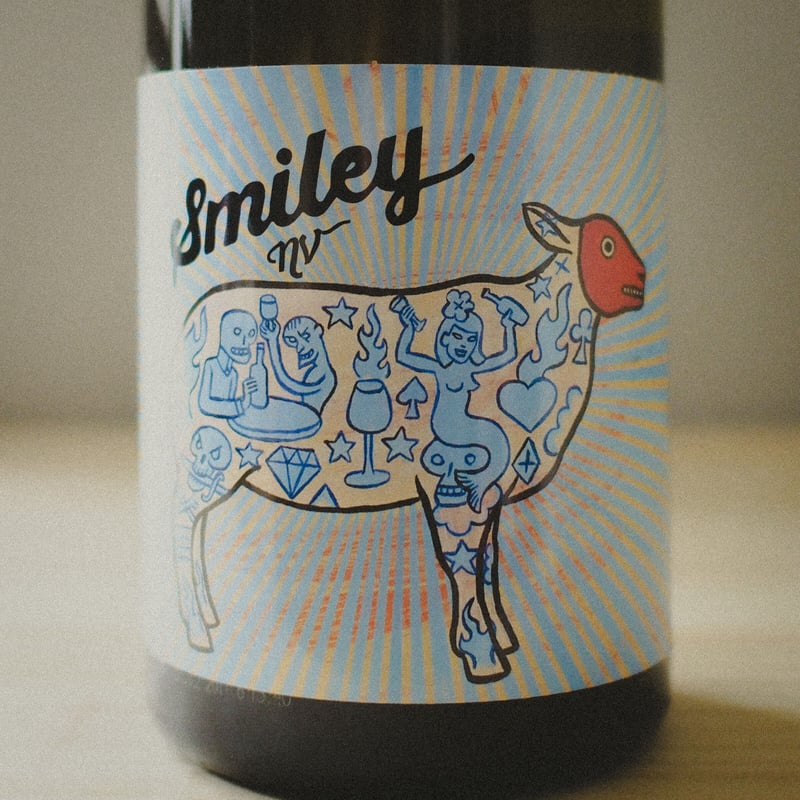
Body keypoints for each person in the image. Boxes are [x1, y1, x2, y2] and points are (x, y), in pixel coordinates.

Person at [395, 289, 519, 512]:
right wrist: (408, 329)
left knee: (499, 440)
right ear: (444, 338)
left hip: (460, 424)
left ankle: (479, 483)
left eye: (471, 340)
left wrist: (509, 326)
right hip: (447, 427)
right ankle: (475, 480)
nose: (463, 345)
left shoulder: (470, 368)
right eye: (457, 337)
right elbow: (403, 355)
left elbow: (508, 355)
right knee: (495, 438)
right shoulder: (439, 368)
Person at [198, 309, 258, 418]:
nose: (244, 342)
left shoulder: (233, 374)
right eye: (237, 332)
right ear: (222, 334)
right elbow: (205, 404)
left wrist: (247, 397)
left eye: (250, 334)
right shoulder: (211, 365)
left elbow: (228, 410)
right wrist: (242, 405)